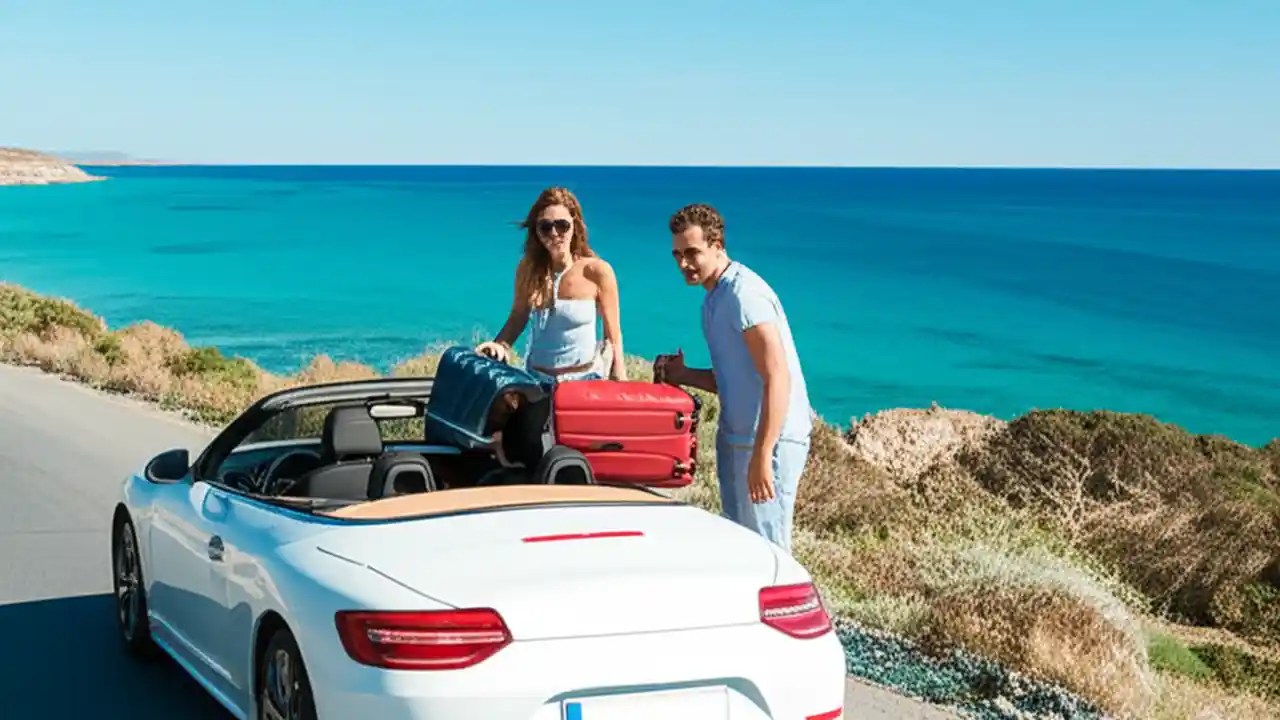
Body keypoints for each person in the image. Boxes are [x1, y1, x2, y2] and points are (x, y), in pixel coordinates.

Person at [654, 203, 811, 553]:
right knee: (741, 546)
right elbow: (732, 379)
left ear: (717, 246)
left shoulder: (744, 295)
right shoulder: (712, 300)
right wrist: (682, 375)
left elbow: (777, 376)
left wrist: (762, 454)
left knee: (771, 550)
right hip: (737, 439)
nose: (683, 264)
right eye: (677, 254)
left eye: (692, 252)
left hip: (770, 442)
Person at [475, 186, 627, 384]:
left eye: (562, 225)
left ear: (575, 225)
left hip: (583, 381)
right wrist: (499, 346)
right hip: (537, 381)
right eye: (545, 227)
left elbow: (613, 334)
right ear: (536, 231)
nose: (554, 234)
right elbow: (517, 317)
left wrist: (620, 381)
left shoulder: (597, 272)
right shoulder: (528, 269)